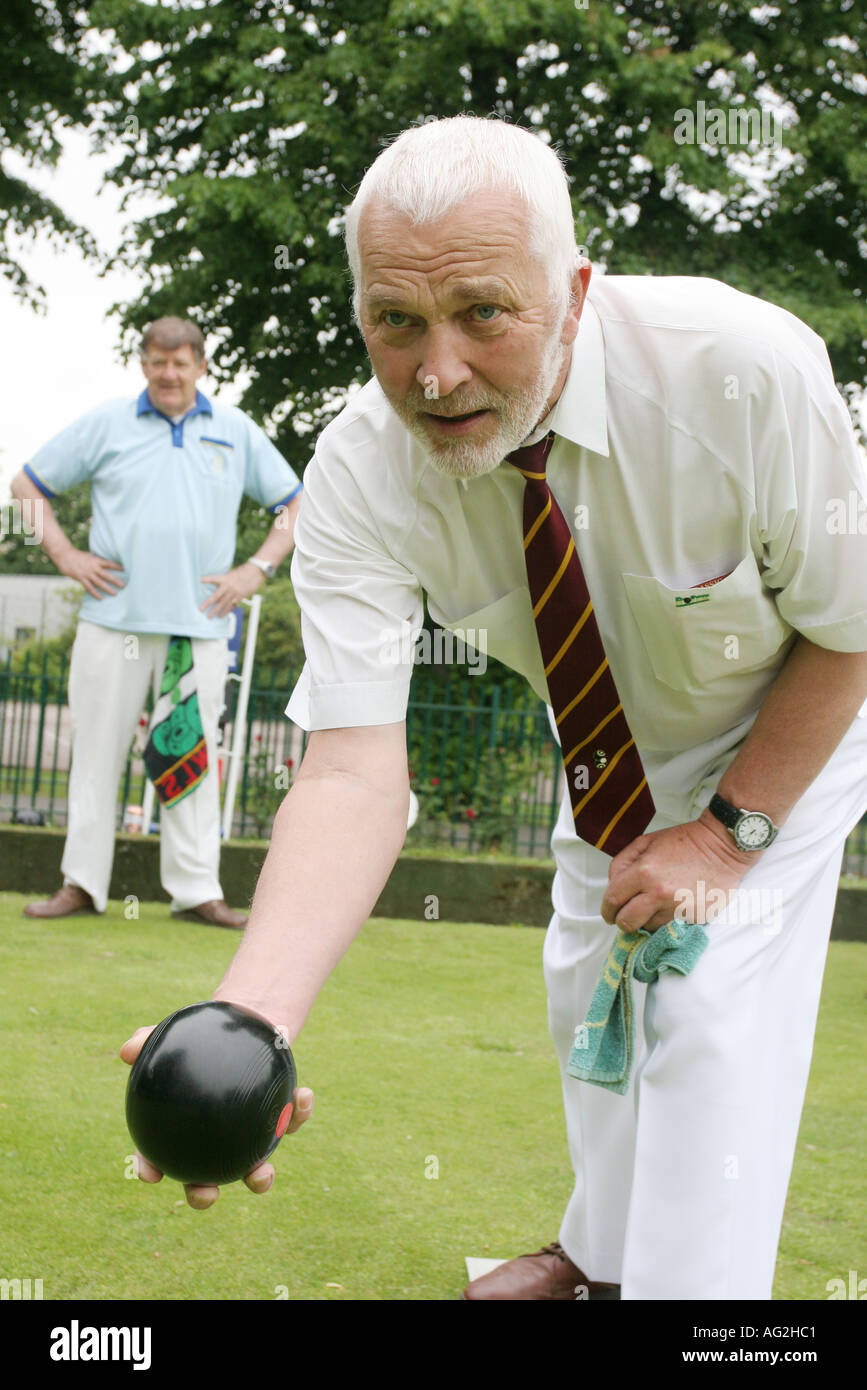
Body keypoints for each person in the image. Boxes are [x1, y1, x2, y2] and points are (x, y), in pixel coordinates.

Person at [121, 118, 867, 1298]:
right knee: (588, 983)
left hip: (796, 723)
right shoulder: (362, 470)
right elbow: (354, 770)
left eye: (484, 313)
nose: (436, 373)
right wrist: (247, 1029)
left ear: (573, 292)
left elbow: (852, 629)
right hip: (605, 749)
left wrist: (726, 832)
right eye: (396, 321)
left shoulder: (745, 370)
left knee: (708, 1003)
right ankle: (596, 1255)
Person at [11, 318, 302, 929]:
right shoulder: (107, 422)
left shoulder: (235, 430)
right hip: (110, 620)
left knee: (190, 757)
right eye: (157, 361)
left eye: (181, 362)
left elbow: (294, 504)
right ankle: (81, 885)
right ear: (143, 363)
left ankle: (197, 891)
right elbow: (27, 485)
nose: (169, 373)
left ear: (201, 364)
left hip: (196, 628)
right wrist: (65, 556)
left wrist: (256, 570)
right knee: (95, 752)